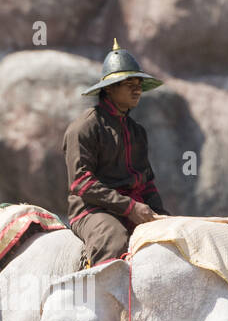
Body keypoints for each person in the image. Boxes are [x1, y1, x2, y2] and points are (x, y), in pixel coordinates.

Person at [63, 39, 167, 266]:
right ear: (109, 88)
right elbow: (81, 183)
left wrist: (162, 216)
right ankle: (97, 299)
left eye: (139, 82)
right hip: (92, 211)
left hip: (134, 208)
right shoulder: (84, 127)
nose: (137, 88)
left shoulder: (137, 131)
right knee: (113, 239)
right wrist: (129, 207)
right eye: (128, 82)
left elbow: (147, 183)